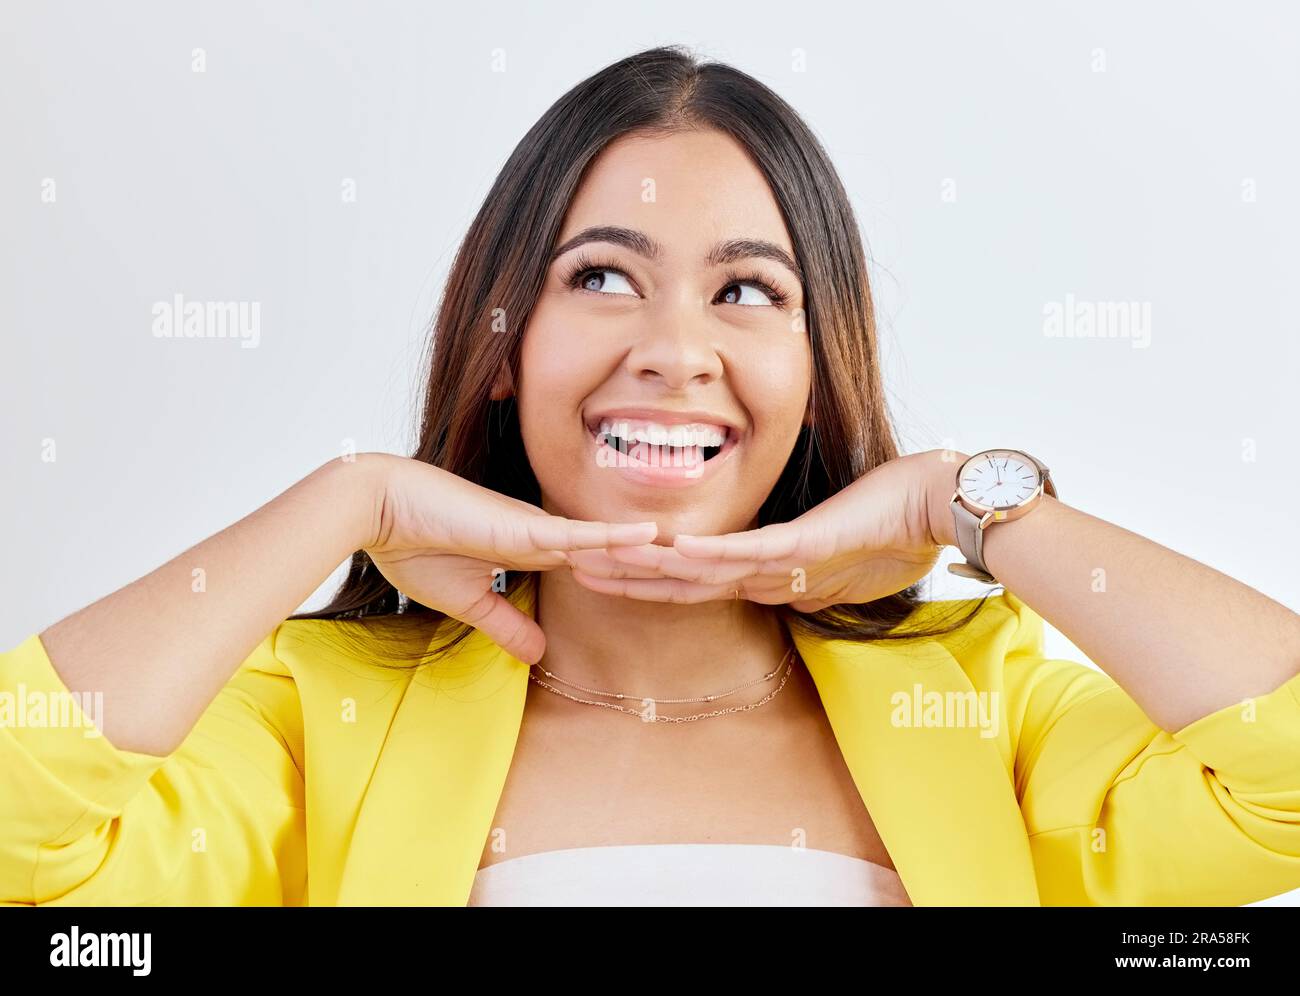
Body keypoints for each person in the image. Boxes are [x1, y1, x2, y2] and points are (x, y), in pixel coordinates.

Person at [3, 45, 1299, 907]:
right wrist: (351, 499)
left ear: (816, 360)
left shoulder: (979, 703)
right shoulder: (319, 716)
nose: (676, 351)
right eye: (603, 277)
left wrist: (964, 500)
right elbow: (23, 833)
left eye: (747, 290)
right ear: (504, 344)